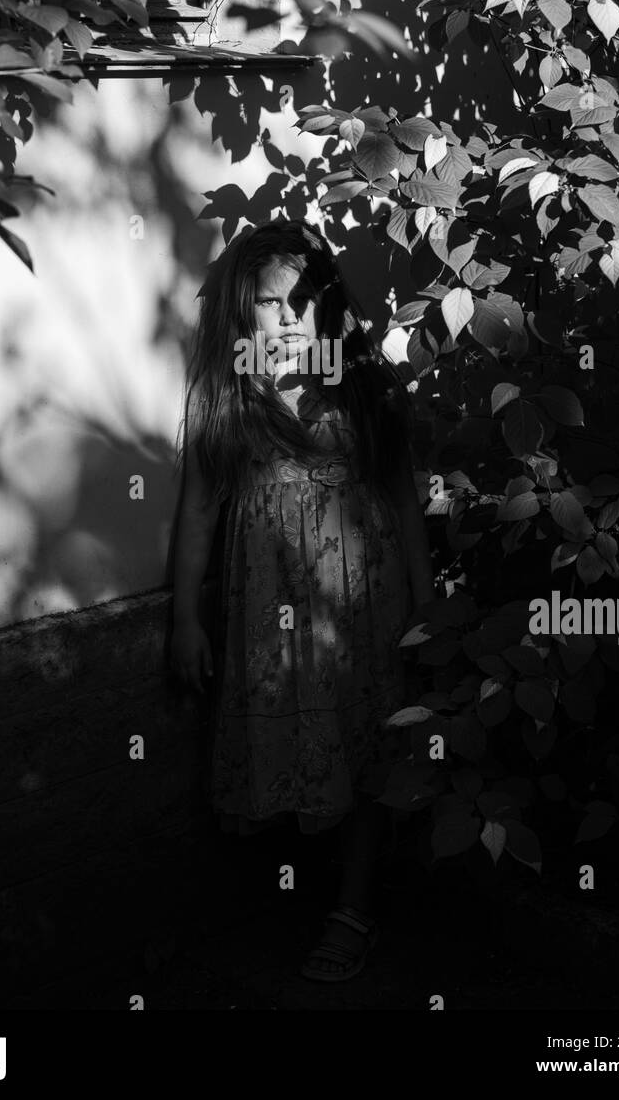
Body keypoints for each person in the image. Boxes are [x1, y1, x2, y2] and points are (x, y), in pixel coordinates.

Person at [169, 218, 436, 982]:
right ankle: (304, 896)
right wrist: (184, 617)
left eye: (300, 303)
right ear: (239, 315)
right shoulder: (228, 404)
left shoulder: (360, 391)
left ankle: (353, 908)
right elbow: (197, 513)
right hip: (274, 617)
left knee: (367, 741)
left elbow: (404, 499)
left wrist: (425, 602)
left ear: (327, 308)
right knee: (307, 742)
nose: (285, 321)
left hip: (365, 605)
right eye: (265, 304)